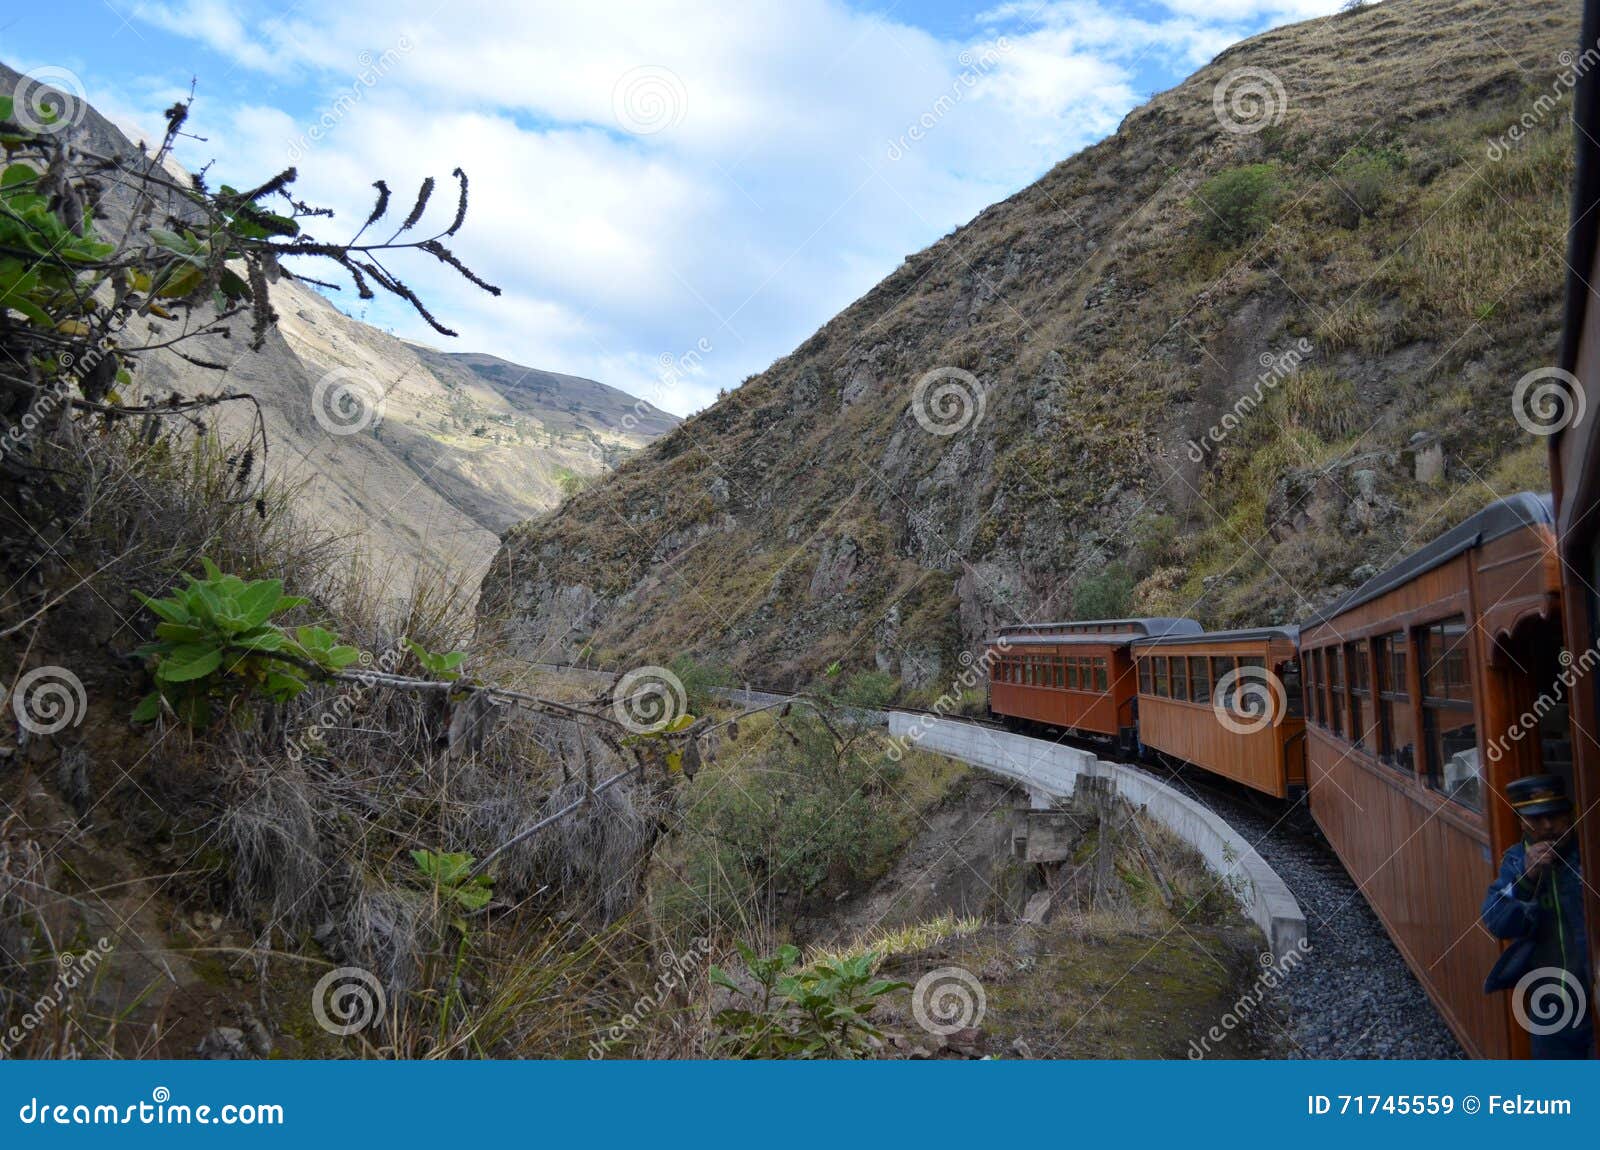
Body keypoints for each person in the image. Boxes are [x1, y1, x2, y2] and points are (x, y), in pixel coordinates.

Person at [1481, 774, 1593, 1058]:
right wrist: (1527, 878)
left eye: (1555, 816)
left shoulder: (1589, 854)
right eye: (1536, 819)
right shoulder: (1515, 861)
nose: (1548, 826)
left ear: (1570, 815)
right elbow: (1497, 922)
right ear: (1522, 822)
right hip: (1551, 1002)